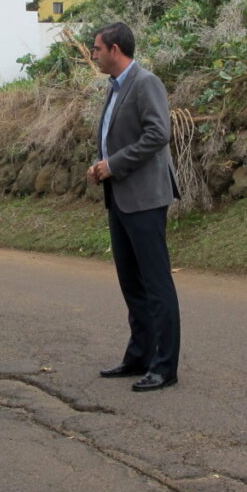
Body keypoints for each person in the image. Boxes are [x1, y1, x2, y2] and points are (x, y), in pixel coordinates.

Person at [87, 22, 182, 393]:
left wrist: (114, 164)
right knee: (132, 284)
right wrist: (101, 165)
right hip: (120, 196)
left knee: (156, 285)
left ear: (114, 49)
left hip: (145, 198)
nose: (93, 55)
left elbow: (159, 133)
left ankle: (165, 366)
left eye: (96, 49)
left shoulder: (145, 83)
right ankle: (140, 356)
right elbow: (118, 138)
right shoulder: (115, 88)